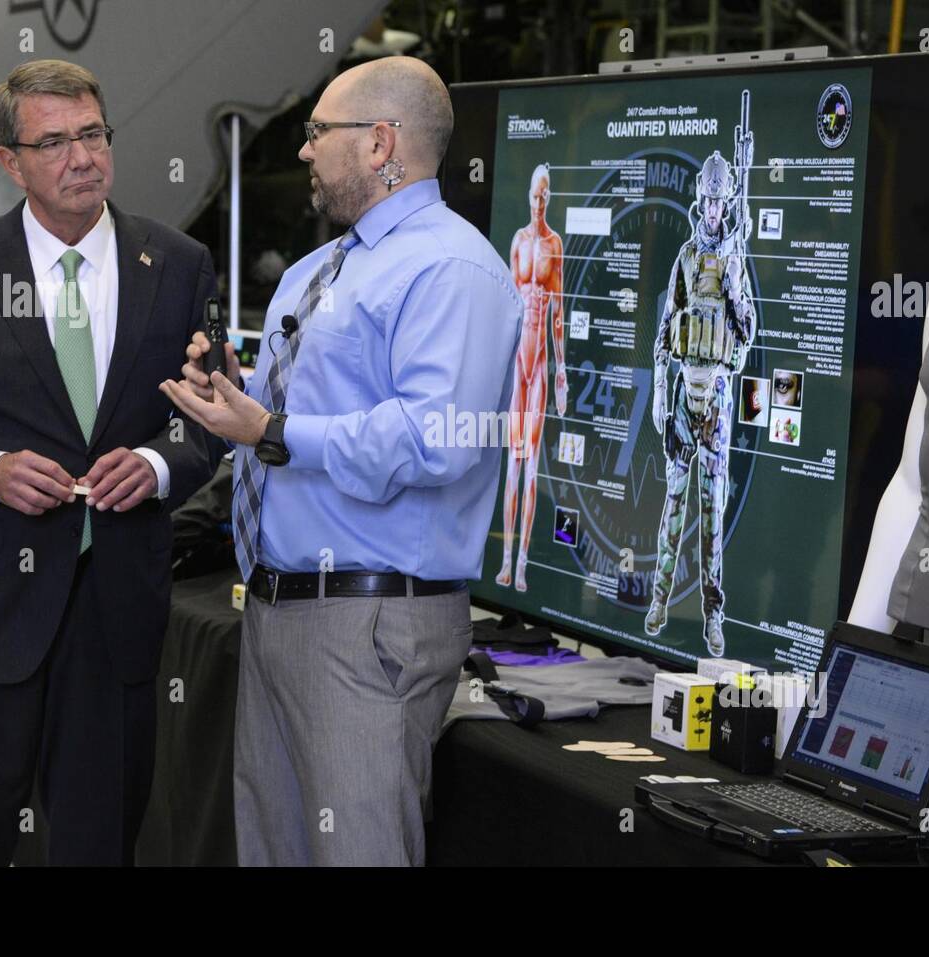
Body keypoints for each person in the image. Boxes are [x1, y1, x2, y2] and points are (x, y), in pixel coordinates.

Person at [162, 55, 521, 866]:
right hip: (279, 611)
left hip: (368, 625)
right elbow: (296, 420)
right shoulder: (317, 269)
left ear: (381, 143)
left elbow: (438, 439)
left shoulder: (450, 269)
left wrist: (273, 429)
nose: (303, 151)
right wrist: (234, 401)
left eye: (319, 131)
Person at [0, 59, 216, 866]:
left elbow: (207, 422)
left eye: (92, 133)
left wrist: (159, 466)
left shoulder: (178, 264)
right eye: (53, 143)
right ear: (11, 163)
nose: (82, 157)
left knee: (98, 846)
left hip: (117, 619)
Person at [647, 144, 757, 654]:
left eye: (720, 201)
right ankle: (660, 599)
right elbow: (664, 328)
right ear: (700, 201)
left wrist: (733, 288)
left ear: (728, 201)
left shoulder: (734, 258)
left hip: (716, 397)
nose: (712, 209)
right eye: (706, 200)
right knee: (673, 502)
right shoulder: (687, 258)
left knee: (712, 511)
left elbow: (749, 329)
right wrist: (658, 400)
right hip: (681, 391)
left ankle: (714, 613)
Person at [495, 164, 565, 592]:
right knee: (511, 466)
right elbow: (507, 308)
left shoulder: (555, 245)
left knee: (532, 465)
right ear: (528, 197)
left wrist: (562, 375)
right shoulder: (519, 242)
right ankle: (504, 560)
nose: (539, 202)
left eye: (545, 196)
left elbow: (558, 313)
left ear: (550, 197)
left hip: (539, 363)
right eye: (534, 195)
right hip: (516, 361)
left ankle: (522, 563)